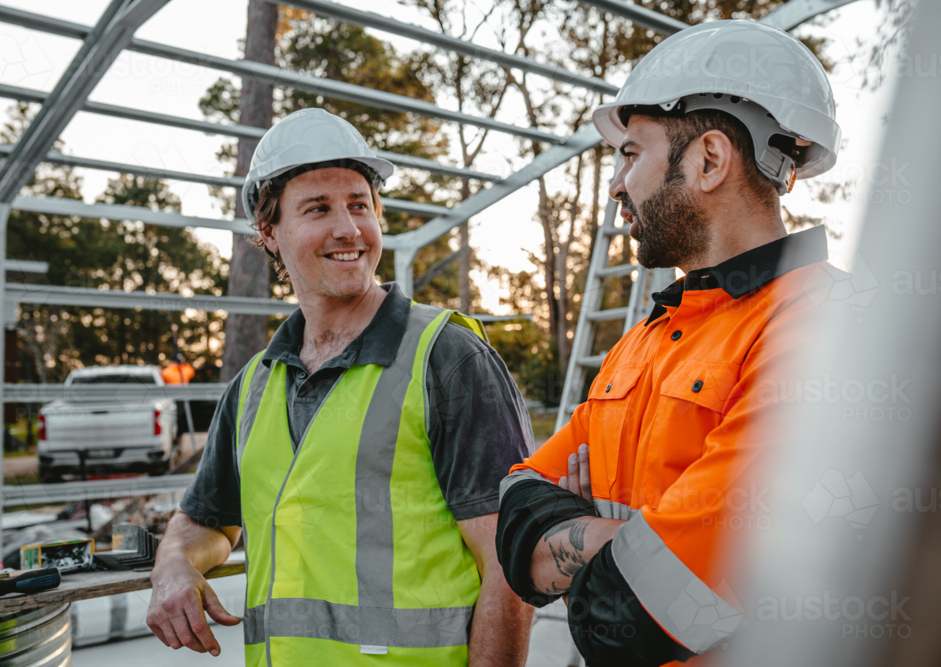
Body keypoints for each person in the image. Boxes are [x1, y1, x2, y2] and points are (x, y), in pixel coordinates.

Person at [496, 20, 844, 666]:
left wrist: (582, 549)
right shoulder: (646, 340)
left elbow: (622, 615)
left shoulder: (821, 328)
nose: (615, 185)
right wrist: (633, 548)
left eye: (631, 153)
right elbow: (514, 514)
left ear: (708, 160)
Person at [148, 108, 535, 666]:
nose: (349, 228)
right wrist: (174, 563)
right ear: (269, 232)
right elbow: (207, 519)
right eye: (318, 209)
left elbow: (509, 562)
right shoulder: (255, 384)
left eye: (360, 204)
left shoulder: (448, 359)